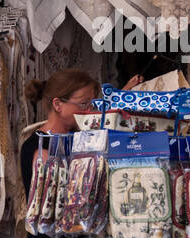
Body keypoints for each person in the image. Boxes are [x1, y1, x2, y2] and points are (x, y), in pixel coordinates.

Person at [19, 68, 143, 196]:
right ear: (58, 105)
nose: (89, 111)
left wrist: (125, 91)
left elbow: (106, 118)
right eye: (84, 104)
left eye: (91, 104)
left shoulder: (76, 135)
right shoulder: (41, 149)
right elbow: (53, 202)